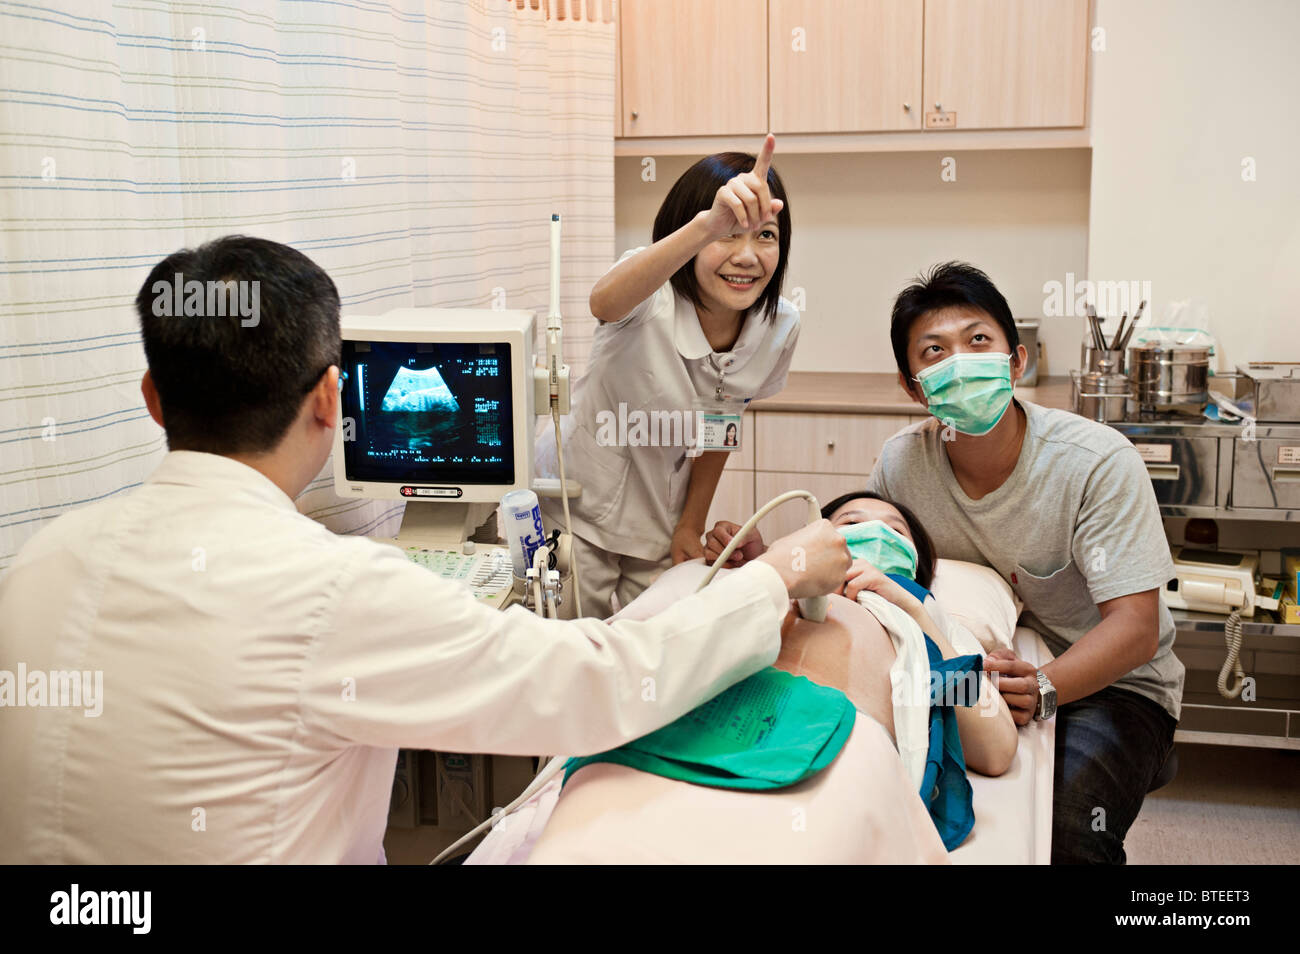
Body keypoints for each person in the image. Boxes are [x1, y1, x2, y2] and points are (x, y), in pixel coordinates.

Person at [0, 235, 850, 864]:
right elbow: (602, 682)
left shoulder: (34, 567)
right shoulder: (329, 590)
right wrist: (781, 574)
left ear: (153, 399)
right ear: (334, 397)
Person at [869, 261, 1181, 865]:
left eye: (977, 340)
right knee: (900, 802)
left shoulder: (1093, 462)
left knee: (1067, 833)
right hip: (971, 666)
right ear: (913, 386)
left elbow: (1136, 629)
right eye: (934, 351)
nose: (959, 361)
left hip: (1113, 685)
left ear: (1017, 361)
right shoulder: (900, 465)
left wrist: (1043, 686)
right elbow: (874, 561)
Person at [535, 133, 800, 618]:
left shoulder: (778, 325)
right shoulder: (649, 296)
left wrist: (689, 523)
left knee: (661, 650)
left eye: (765, 235)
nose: (747, 256)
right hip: (575, 508)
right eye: (729, 233)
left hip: (662, 515)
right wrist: (706, 226)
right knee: (570, 648)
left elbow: (726, 420)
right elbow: (603, 301)